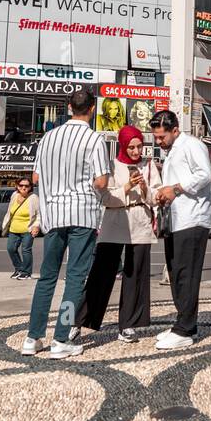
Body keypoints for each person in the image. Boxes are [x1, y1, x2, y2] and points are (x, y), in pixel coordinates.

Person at [23, 88, 111, 360]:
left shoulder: (48, 137)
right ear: (92, 108)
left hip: (53, 215)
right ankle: (61, 337)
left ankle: (33, 337)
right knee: (75, 277)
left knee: (47, 277)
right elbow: (101, 181)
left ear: (69, 108)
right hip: (82, 213)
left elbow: (35, 178)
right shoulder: (94, 139)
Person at [76, 126, 159, 343]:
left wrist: (144, 189)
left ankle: (128, 324)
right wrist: (126, 186)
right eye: (131, 147)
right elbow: (105, 198)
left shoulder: (148, 165)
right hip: (115, 219)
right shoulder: (111, 165)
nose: (136, 151)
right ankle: (80, 320)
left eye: (139, 146)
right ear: (123, 145)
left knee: (135, 275)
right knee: (101, 273)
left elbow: (156, 196)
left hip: (140, 220)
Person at [151, 110, 211, 350]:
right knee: (176, 272)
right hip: (176, 219)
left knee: (186, 274)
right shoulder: (173, 151)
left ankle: (185, 329)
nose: (159, 142)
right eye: (156, 137)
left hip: (193, 218)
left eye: (161, 137)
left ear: (175, 130)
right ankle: (183, 321)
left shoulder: (192, 145)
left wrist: (175, 189)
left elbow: (205, 175)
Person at [2, 178, 41, 280]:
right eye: (21, 185)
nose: (23, 187)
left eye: (27, 186)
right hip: (14, 229)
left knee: (26, 250)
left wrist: (36, 226)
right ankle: (19, 268)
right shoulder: (14, 195)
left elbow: (39, 214)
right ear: (17, 186)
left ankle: (26, 272)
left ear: (30, 187)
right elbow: (10, 210)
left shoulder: (33, 198)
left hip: (27, 229)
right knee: (11, 249)